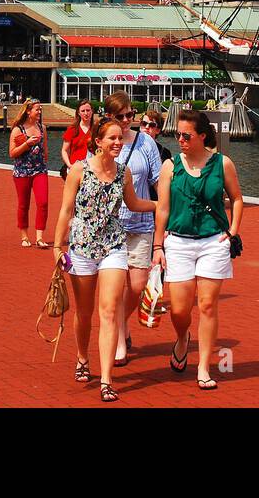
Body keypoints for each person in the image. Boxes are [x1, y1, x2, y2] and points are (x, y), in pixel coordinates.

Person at [52, 116, 156, 403]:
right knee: (84, 314)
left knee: (109, 311)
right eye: (111, 138)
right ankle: (83, 357)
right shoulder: (78, 170)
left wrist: (161, 205)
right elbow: (66, 210)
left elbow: (134, 203)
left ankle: (107, 379)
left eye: (119, 139)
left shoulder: (123, 173)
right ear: (98, 142)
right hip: (82, 246)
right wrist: (58, 247)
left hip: (113, 245)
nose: (117, 143)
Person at [152, 108, 244, 392]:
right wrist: (158, 245)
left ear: (202, 136)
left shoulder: (222, 163)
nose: (180, 139)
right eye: (177, 134)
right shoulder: (171, 166)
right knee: (179, 310)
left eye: (186, 135)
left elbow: (237, 198)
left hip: (212, 241)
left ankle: (203, 367)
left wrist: (232, 232)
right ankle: (182, 337)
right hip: (178, 241)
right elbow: (163, 208)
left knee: (206, 305)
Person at [101, 91, 162, 367]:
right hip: (112, 225)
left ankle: (120, 322)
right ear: (110, 117)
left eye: (130, 115)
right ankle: (118, 335)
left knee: (137, 285)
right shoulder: (104, 143)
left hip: (141, 223)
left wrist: (165, 215)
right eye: (121, 116)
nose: (127, 121)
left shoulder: (145, 142)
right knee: (113, 287)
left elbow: (159, 181)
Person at [8, 99, 49, 248]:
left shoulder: (42, 128)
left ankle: (39, 237)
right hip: (22, 172)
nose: (39, 112)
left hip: (39, 170)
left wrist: (44, 161)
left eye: (40, 109)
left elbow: (45, 150)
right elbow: (12, 153)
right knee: (24, 204)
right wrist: (27, 144)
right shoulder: (18, 130)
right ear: (28, 111)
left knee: (43, 202)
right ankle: (24, 235)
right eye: (37, 109)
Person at [61, 99, 94, 169]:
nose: (86, 113)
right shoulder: (72, 129)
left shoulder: (97, 129)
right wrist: (69, 164)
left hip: (92, 168)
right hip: (75, 167)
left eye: (88, 110)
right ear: (78, 113)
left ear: (92, 111)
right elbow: (64, 150)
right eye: (83, 111)